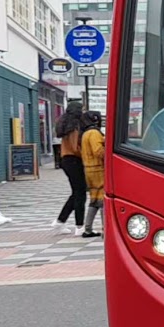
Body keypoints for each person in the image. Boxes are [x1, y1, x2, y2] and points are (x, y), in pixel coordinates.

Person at [51, 100, 87, 235]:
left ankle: (60, 221)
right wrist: (87, 156)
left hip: (67, 160)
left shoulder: (65, 124)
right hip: (74, 161)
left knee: (77, 193)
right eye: (82, 109)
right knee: (80, 194)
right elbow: (75, 147)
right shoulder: (74, 126)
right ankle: (79, 226)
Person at [80, 110, 106, 238]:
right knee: (103, 200)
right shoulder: (94, 133)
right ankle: (105, 229)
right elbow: (99, 151)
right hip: (98, 170)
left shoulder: (84, 134)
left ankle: (88, 229)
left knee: (94, 200)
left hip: (88, 170)